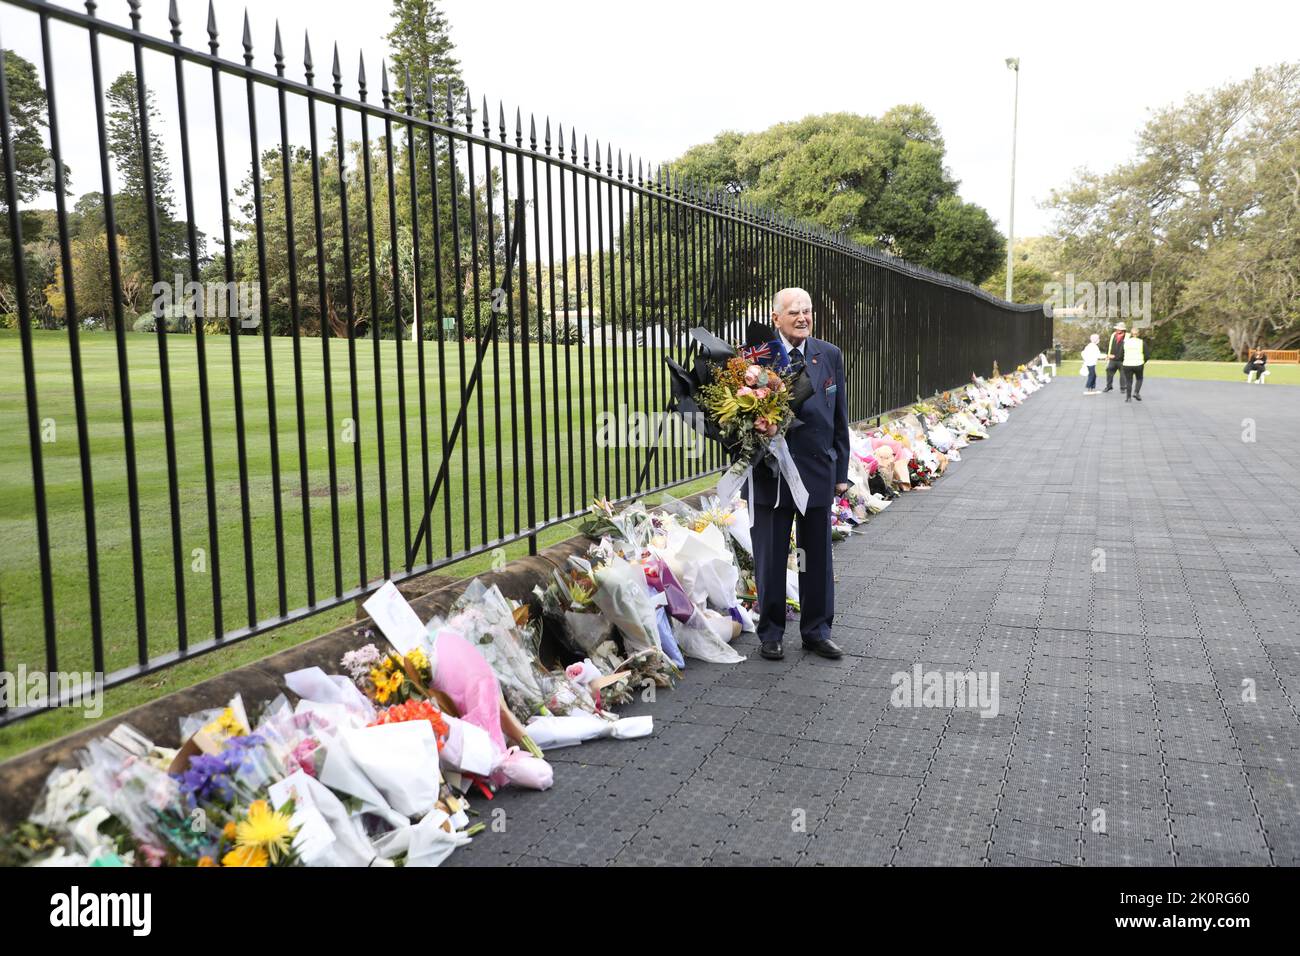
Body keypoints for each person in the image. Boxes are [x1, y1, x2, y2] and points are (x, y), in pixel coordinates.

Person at [745, 287, 850, 662]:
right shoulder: (755, 359)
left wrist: (841, 471)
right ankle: (771, 633)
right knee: (772, 556)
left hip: (817, 471)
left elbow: (840, 416)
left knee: (814, 555)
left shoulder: (830, 355)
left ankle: (817, 631)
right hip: (771, 475)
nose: (803, 317)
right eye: (794, 312)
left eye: (807, 310)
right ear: (776, 318)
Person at [1121, 326, 1147, 402]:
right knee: (1139, 379)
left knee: (1129, 381)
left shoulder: (1125, 343)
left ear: (1131, 334)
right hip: (1138, 363)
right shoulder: (1141, 342)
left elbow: (1121, 354)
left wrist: (1124, 360)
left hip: (1127, 364)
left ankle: (1128, 398)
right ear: (1138, 334)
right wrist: (1143, 361)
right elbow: (1147, 355)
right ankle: (1136, 392)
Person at [1103, 322, 1127, 392]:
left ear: (1123, 330)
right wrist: (1108, 355)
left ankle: (1123, 388)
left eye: (1119, 329)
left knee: (1123, 374)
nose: (1117, 330)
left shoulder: (1127, 337)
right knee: (1109, 370)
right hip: (1112, 359)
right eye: (1117, 329)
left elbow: (1124, 349)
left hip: (1122, 359)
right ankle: (1109, 386)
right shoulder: (1113, 335)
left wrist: (1115, 356)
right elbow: (1110, 346)